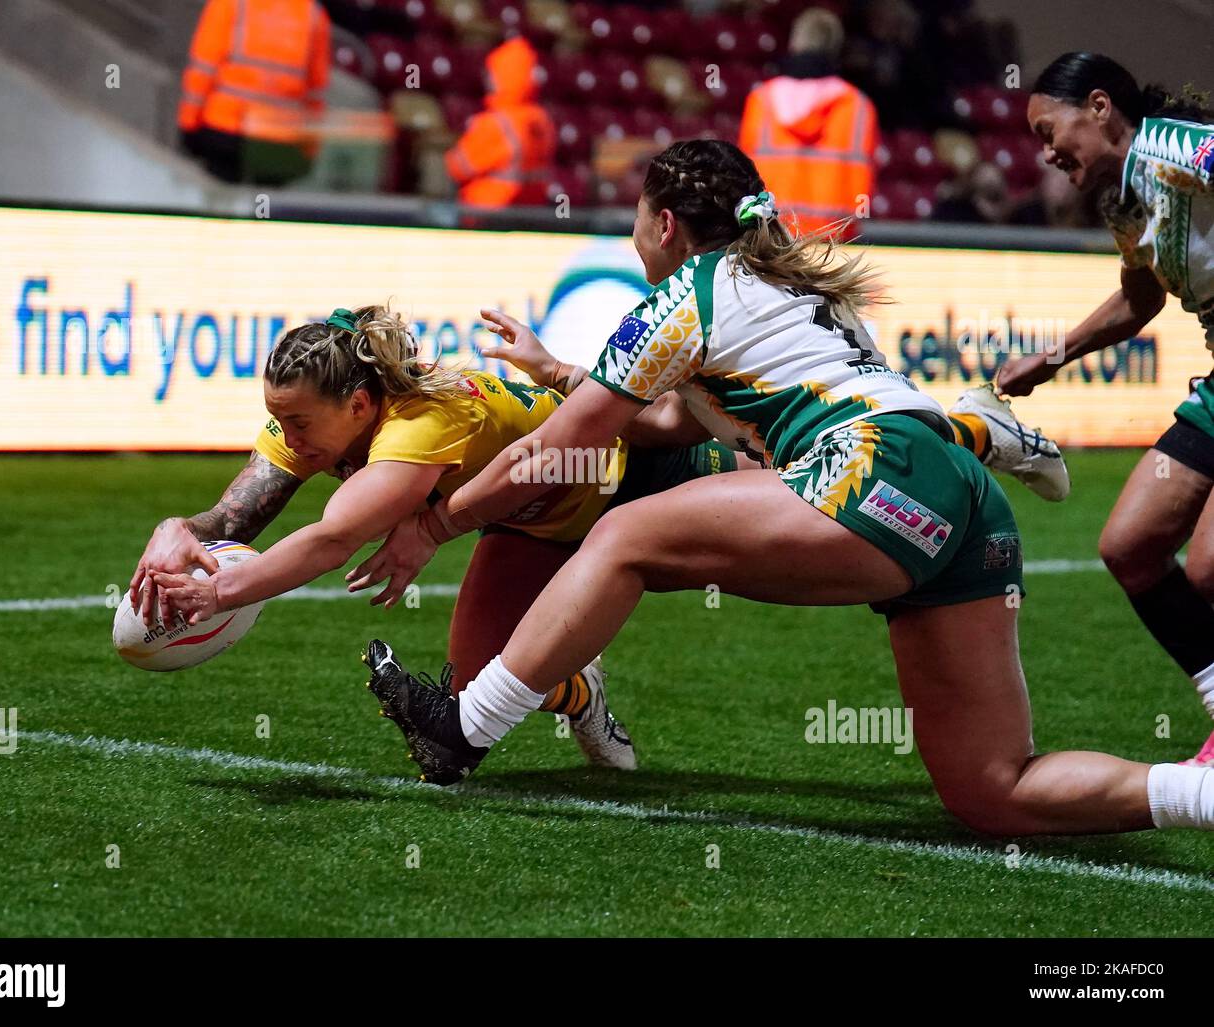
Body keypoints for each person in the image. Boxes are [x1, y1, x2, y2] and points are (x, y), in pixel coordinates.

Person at [353, 140, 1214, 840]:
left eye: (635, 225)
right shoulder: (787, 280)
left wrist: (438, 522)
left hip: (873, 472)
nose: (634, 242)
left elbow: (552, 450)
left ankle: (463, 728)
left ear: (663, 223)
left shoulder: (685, 296)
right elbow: (673, 424)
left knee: (625, 536)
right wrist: (560, 369)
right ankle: (1198, 795)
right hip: (956, 498)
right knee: (994, 793)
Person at [130, 305, 748, 771]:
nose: (286, 437)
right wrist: (178, 529)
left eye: (297, 422)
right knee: (475, 687)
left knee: (781, 524)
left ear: (359, 405)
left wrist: (221, 593)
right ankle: (581, 689)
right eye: (278, 418)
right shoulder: (316, 416)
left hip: (627, 470)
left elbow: (333, 539)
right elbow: (237, 517)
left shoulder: (420, 425)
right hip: (530, 517)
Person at [999, 52, 1214, 764]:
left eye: (1047, 129)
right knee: (1130, 546)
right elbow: (1142, 296)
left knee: (1211, 569)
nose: (1047, 150)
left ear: (1097, 106)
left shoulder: (1175, 147)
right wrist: (1052, 357)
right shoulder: (1126, 196)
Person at [738, 7, 877, 239]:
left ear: (794, 43)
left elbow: (742, 177)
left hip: (771, 239)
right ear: (837, 49)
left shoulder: (761, 100)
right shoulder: (858, 106)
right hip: (832, 244)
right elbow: (862, 184)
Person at [177, 0, 331, 185]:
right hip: (275, 137)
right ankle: (261, 212)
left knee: (220, 199)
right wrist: (311, 146)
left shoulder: (229, 4)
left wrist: (189, 124)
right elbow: (315, 92)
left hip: (227, 129)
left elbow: (203, 69)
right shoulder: (313, 14)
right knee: (263, 204)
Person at [444, 37, 555, 208]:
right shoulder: (541, 118)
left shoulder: (495, 123)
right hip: (530, 210)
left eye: (493, 73)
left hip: (487, 212)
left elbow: (457, 168)